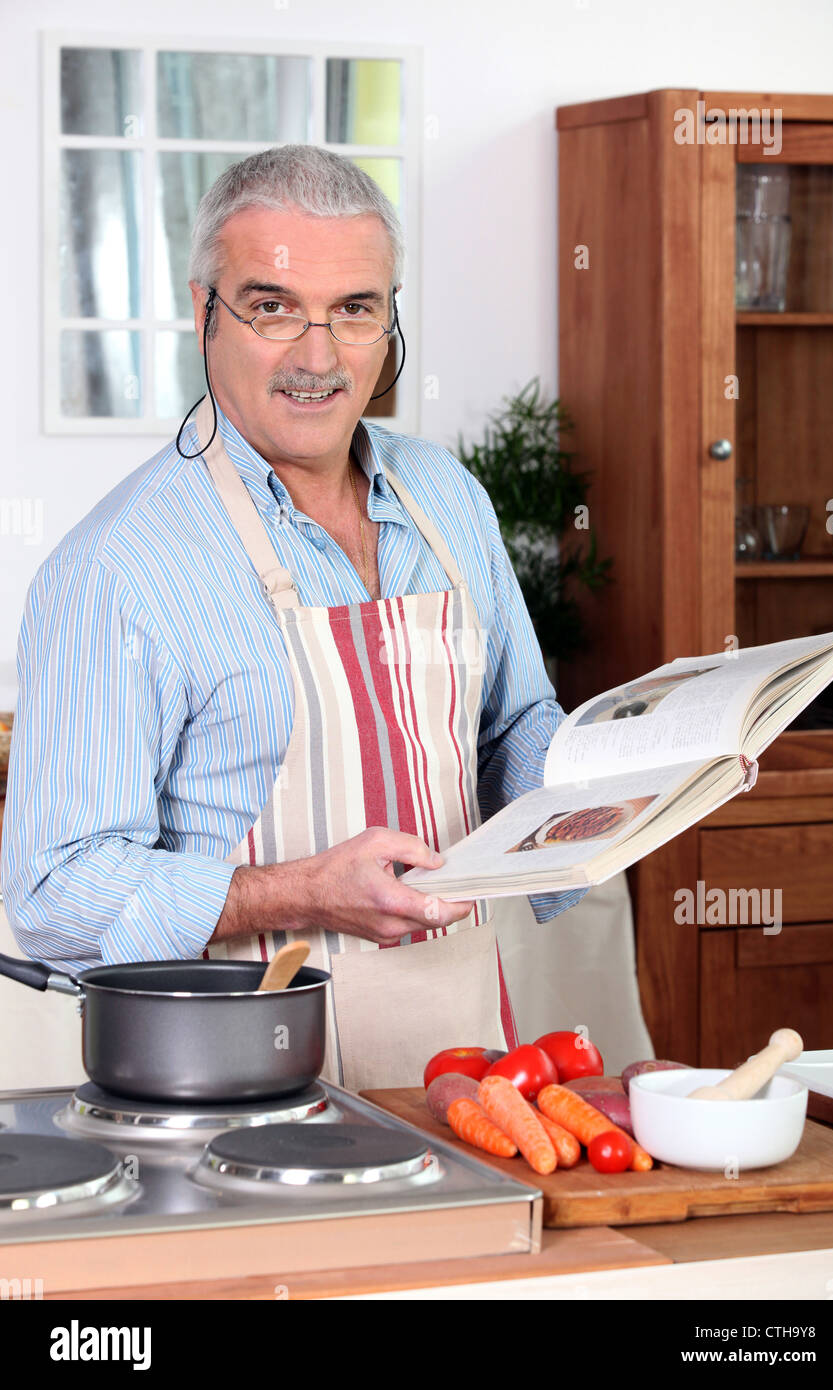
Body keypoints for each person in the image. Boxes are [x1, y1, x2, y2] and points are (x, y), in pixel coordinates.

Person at [1, 145, 588, 1091]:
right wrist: (297, 893)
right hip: (238, 1081)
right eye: (273, 307)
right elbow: (52, 891)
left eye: (355, 311)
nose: (319, 358)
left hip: (463, 1066)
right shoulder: (114, 568)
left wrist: (627, 788)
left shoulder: (446, 497)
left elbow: (513, 728)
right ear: (205, 314)